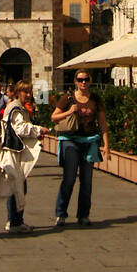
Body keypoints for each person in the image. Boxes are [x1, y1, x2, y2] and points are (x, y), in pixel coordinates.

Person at [51, 70, 110, 226]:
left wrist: (106, 145)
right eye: (80, 79)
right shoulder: (67, 99)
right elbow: (53, 117)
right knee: (69, 178)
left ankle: (83, 215)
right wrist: (70, 111)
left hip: (89, 141)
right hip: (70, 140)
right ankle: (61, 213)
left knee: (87, 180)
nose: (83, 82)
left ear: (90, 81)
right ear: (75, 81)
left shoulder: (95, 99)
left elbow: (102, 123)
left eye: (86, 79)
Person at [0, 80, 43, 232]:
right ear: (18, 92)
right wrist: (39, 130)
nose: (28, 95)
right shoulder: (16, 108)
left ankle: (13, 220)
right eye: (25, 92)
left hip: (12, 150)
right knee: (17, 186)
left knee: (16, 185)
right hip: (12, 152)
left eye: (30, 92)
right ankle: (15, 222)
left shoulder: (16, 106)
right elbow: (20, 128)